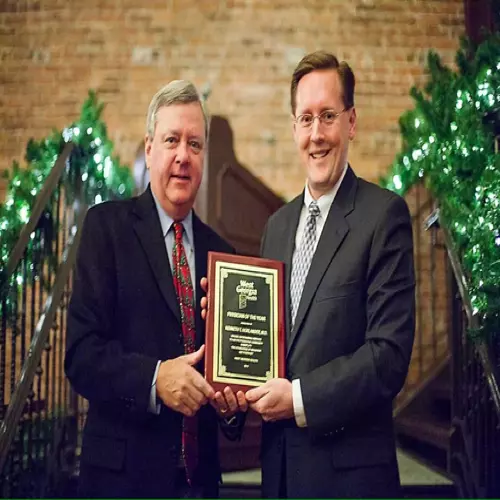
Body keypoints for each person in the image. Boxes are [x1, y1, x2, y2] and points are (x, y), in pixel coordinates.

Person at [245, 51, 416, 498]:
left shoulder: (384, 216)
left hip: (349, 481)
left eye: (328, 116)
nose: (316, 134)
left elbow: (388, 357)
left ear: (351, 122)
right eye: (305, 119)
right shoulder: (276, 226)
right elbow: (267, 349)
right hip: (280, 477)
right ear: (293, 128)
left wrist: (298, 399)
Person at [65, 80, 246, 498]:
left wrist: (232, 405)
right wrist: (154, 378)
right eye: (172, 140)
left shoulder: (224, 253)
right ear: (150, 149)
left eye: (195, 144)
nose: (183, 156)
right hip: (121, 483)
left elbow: (229, 372)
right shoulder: (105, 228)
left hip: (198, 485)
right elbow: (80, 353)